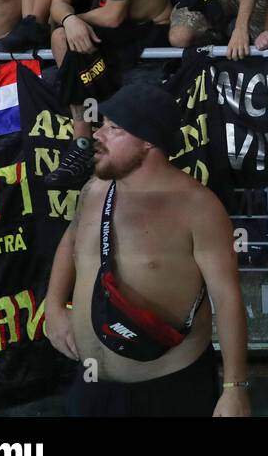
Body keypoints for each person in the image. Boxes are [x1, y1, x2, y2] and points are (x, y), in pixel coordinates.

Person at [42, 84, 250, 417]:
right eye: (102, 124)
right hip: (92, 383)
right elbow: (71, 241)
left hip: (170, 389)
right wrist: (53, 306)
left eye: (114, 128)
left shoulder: (198, 207)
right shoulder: (95, 190)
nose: (98, 134)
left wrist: (234, 389)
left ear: (148, 141)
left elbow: (227, 299)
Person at [46, 0, 173, 187]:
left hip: (148, 32)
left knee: (64, 34)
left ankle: (97, 144)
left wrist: (71, 20)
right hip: (112, 29)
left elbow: (114, 16)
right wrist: (69, 21)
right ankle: (81, 141)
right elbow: (57, 4)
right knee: (60, 36)